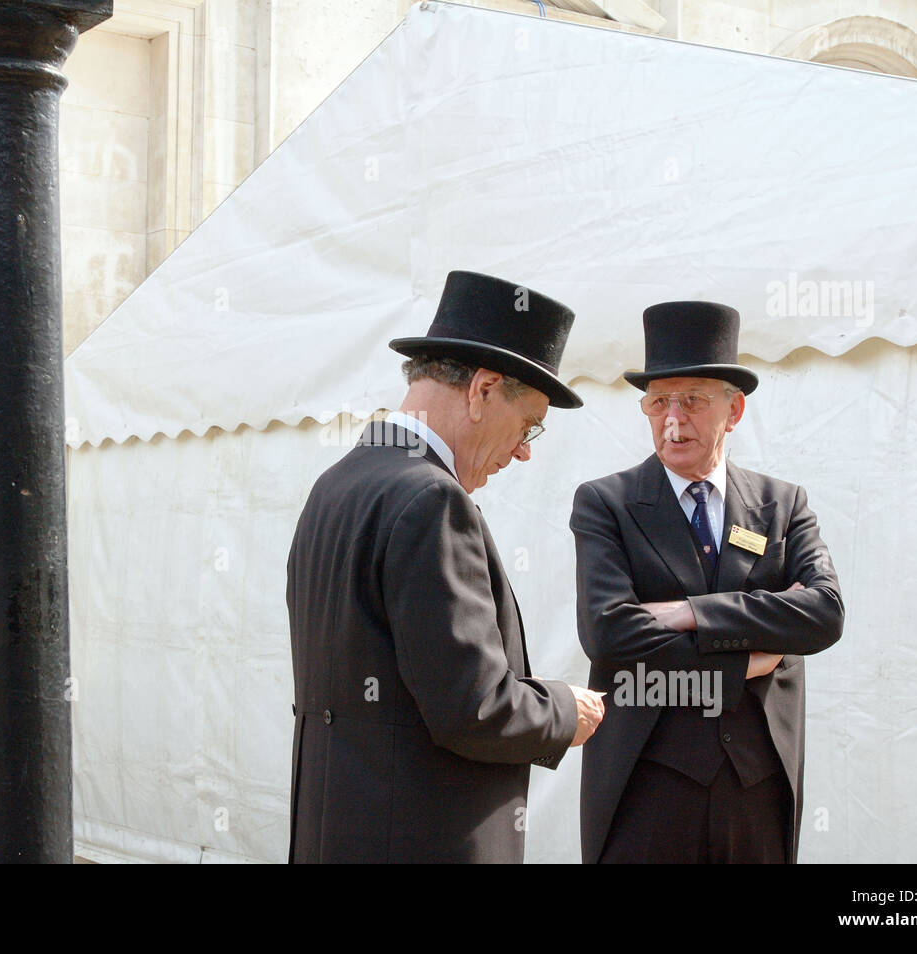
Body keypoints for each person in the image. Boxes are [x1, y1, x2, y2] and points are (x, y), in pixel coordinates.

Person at [287, 270, 605, 863]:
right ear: (483, 390)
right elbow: (473, 708)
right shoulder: (432, 500)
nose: (526, 448)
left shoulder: (335, 485)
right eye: (530, 423)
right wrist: (565, 707)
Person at [571, 300, 843, 864]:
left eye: (692, 401)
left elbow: (824, 612)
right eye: (658, 402)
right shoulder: (607, 504)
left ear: (734, 409)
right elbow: (608, 633)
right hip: (647, 787)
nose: (673, 419)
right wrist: (743, 660)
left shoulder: (781, 505)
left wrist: (693, 611)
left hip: (757, 787)